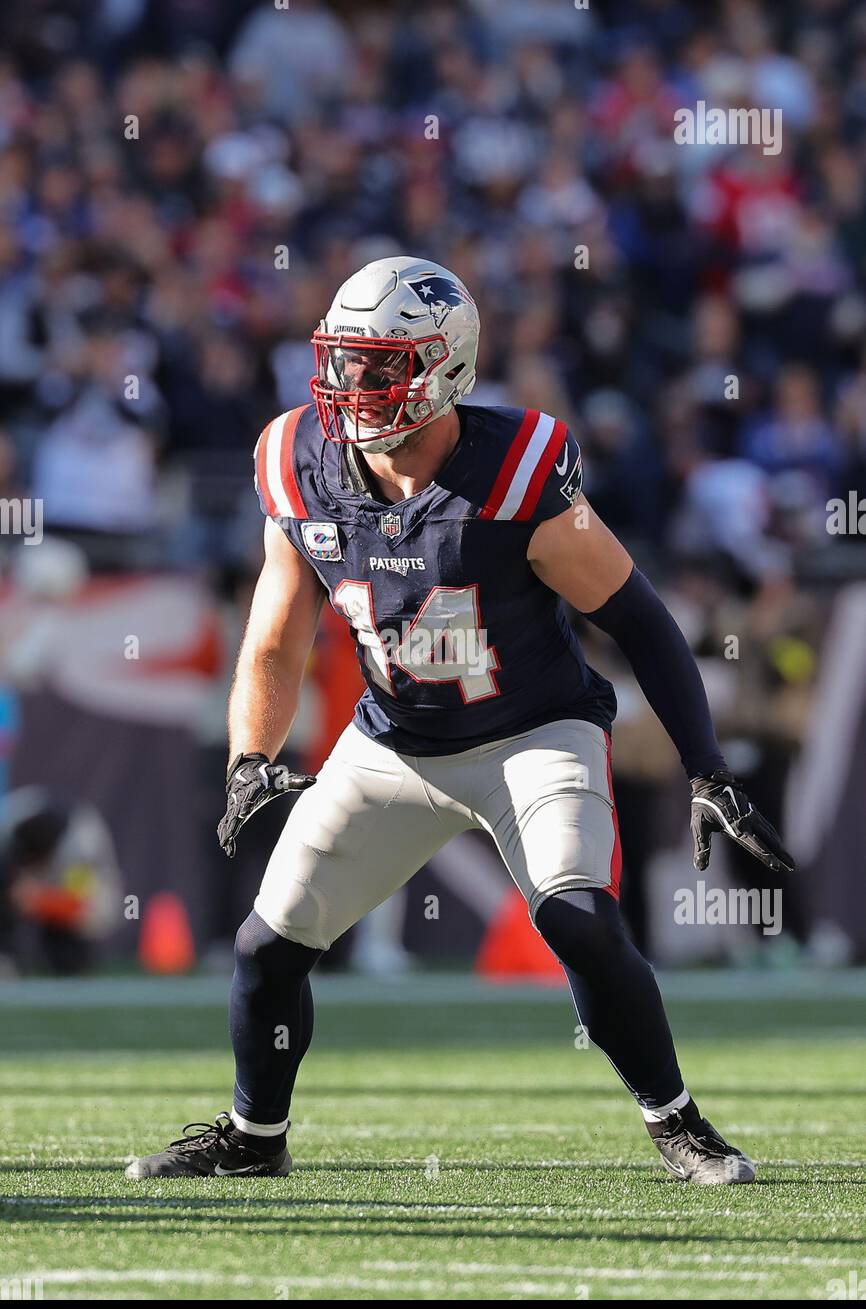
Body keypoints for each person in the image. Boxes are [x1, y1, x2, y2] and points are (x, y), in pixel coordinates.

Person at [126, 257, 793, 1185]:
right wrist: (250, 757)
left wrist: (707, 767)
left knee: (580, 920)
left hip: (535, 732)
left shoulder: (512, 474)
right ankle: (254, 1137)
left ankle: (678, 1123)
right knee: (266, 945)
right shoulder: (297, 462)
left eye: (381, 363)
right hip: (394, 741)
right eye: (345, 359)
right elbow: (274, 638)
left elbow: (638, 618)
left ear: (446, 367)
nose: (352, 384)